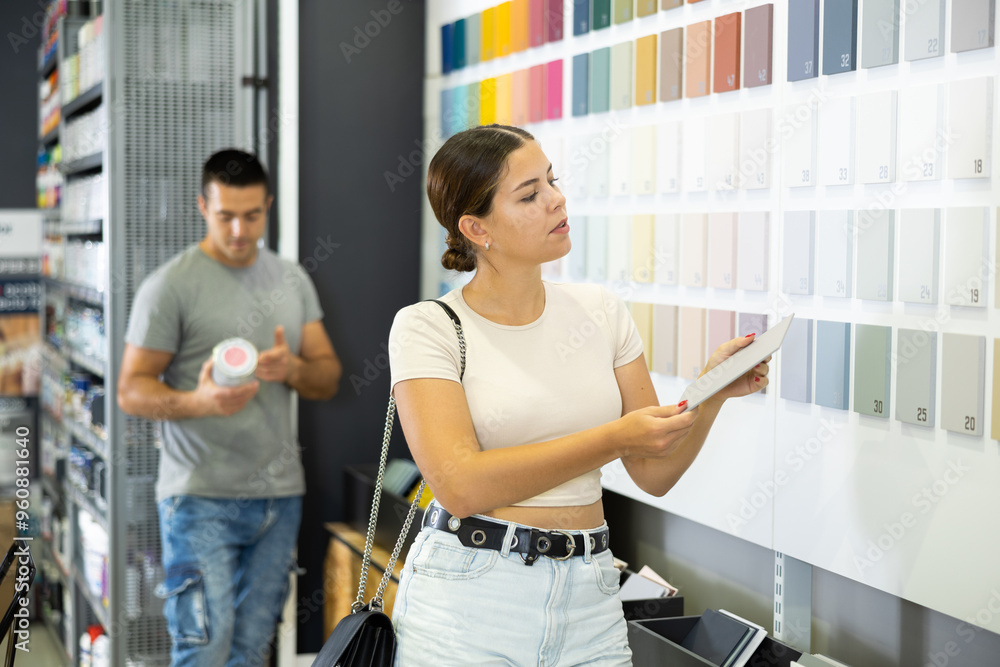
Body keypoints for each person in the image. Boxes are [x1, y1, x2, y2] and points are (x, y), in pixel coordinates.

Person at [387, 124, 770, 665]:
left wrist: (709, 395)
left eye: (552, 180)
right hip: (470, 597)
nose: (556, 199)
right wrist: (613, 437)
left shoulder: (600, 311)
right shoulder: (428, 326)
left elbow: (653, 473)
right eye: (530, 194)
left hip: (590, 590)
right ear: (476, 228)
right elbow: (459, 486)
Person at [117, 149, 342, 666]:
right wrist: (199, 402)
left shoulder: (292, 280)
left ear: (267, 206)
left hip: (279, 498)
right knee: (204, 649)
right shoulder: (170, 286)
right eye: (226, 216)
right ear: (203, 206)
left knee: (250, 649)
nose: (240, 229)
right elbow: (131, 390)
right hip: (199, 500)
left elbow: (328, 377)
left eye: (252, 215)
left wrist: (293, 370)